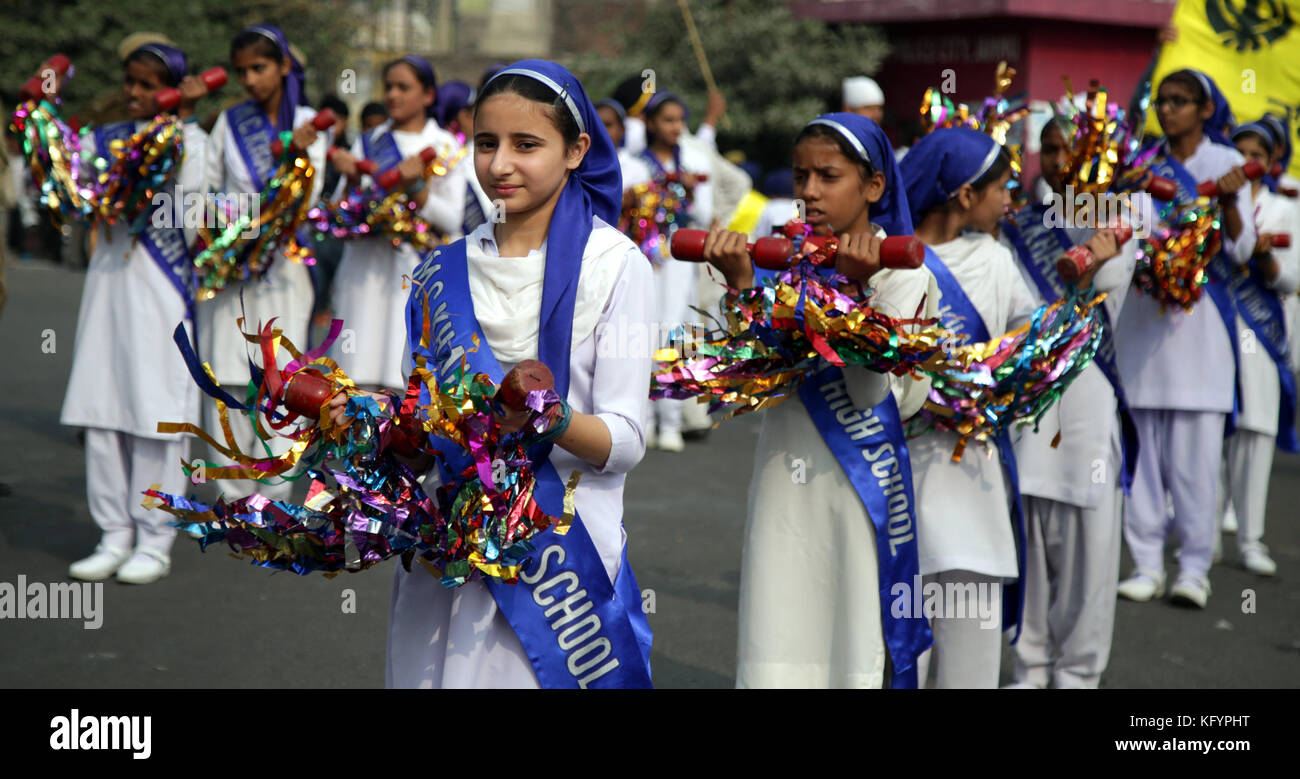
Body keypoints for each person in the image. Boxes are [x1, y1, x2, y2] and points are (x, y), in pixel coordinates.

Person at [331, 60, 655, 688]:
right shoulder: (439, 270)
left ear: (576, 150)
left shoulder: (616, 265)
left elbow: (625, 442)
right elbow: (420, 417)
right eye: (486, 143)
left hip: (559, 560)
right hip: (447, 552)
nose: (500, 164)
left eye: (526, 144)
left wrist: (547, 417)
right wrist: (367, 426)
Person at [699, 113, 938, 688]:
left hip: (856, 487)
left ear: (873, 186)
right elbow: (745, 374)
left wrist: (855, 291)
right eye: (800, 174)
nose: (807, 191)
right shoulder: (790, 263)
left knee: (845, 638)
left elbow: (872, 397)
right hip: (784, 472)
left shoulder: (903, 273)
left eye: (827, 176)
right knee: (777, 631)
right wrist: (739, 284)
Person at [59, 41, 208, 583]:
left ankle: (153, 538)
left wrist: (183, 128)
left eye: (149, 84)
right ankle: (113, 533)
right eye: (131, 82)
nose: (136, 93)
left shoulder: (192, 140)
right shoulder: (105, 139)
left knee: (155, 415)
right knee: (102, 411)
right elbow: (76, 194)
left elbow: (190, 214)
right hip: (108, 284)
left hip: (160, 288)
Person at [998, 117, 1137, 688]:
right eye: (1049, 150)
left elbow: (1107, 287)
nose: (1057, 161)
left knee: (1089, 564)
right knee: (1026, 548)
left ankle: (1078, 676)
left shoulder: (1120, 229)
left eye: (1069, 150)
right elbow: (1017, 319)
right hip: (1030, 413)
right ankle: (1028, 670)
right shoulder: (1017, 228)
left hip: (1088, 413)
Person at [899, 127, 1039, 688]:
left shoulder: (996, 258)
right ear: (964, 193)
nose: (1009, 199)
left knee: (970, 665)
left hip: (975, 477)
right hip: (905, 476)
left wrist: (993, 378)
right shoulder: (892, 258)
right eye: (1001, 186)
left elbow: (1028, 338)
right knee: (901, 656)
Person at [1114, 69, 1255, 609]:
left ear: (1204, 109)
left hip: (1201, 328)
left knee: (1195, 460)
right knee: (1143, 454)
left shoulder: (1225, 163)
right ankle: (1146, 562)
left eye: (1180, 101)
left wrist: (1231, 202)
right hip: (1144, 323)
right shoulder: (1140, 163)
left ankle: (1195, 568)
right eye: (1162, 100)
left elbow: (1240, 254)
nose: (1168, 109)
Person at [199, 24, 329, 503]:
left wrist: (298, 153)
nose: (251, 79)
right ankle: (234, 497)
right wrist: (221, 234)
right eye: (242, 71)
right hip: (234, 269)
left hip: (285, 270)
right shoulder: (230, 122)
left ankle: (272, 500)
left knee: (280, 379)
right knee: (231, 376)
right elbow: (209, 190)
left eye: (260, 67)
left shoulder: (312, 123)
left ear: (283, 67)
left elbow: (314, 197)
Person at [325, 55, 467, 392]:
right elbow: (340, 215)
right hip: (362, 274)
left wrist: (416, 187)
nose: (392, 95)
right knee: (355, 384)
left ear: (428, 95)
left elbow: (450, 219)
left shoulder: (444, 146)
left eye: (404, 87)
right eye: (388, 87)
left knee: (404, 386)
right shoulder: (369, 140)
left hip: (412, 276)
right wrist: (348, 181)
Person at [1214, 122, 1300, 577]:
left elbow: (1292, 279)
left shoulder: (1286, 208)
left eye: (1256, 154)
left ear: (1269, 161)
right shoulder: (1213, 201)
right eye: (1239, 152)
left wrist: (1264, 258)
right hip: (1217, 329)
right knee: (1213, 434)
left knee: (1256, 435)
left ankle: (1251, 539)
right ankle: (1203, 536)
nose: (1247, 162)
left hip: (1263, 334)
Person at [621, 90, 713, 452]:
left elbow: (703, 217)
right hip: (642, 256)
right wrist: (653, 190)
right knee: (642, 330)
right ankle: (640, 419)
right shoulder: (632, 164)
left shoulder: (691, 163)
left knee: (678, 332)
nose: (675, 127)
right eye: (668, 120)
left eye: (680, 120)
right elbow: (621, 205)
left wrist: (683, 190)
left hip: (677, 259)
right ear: (650, 123)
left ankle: (671, 419)